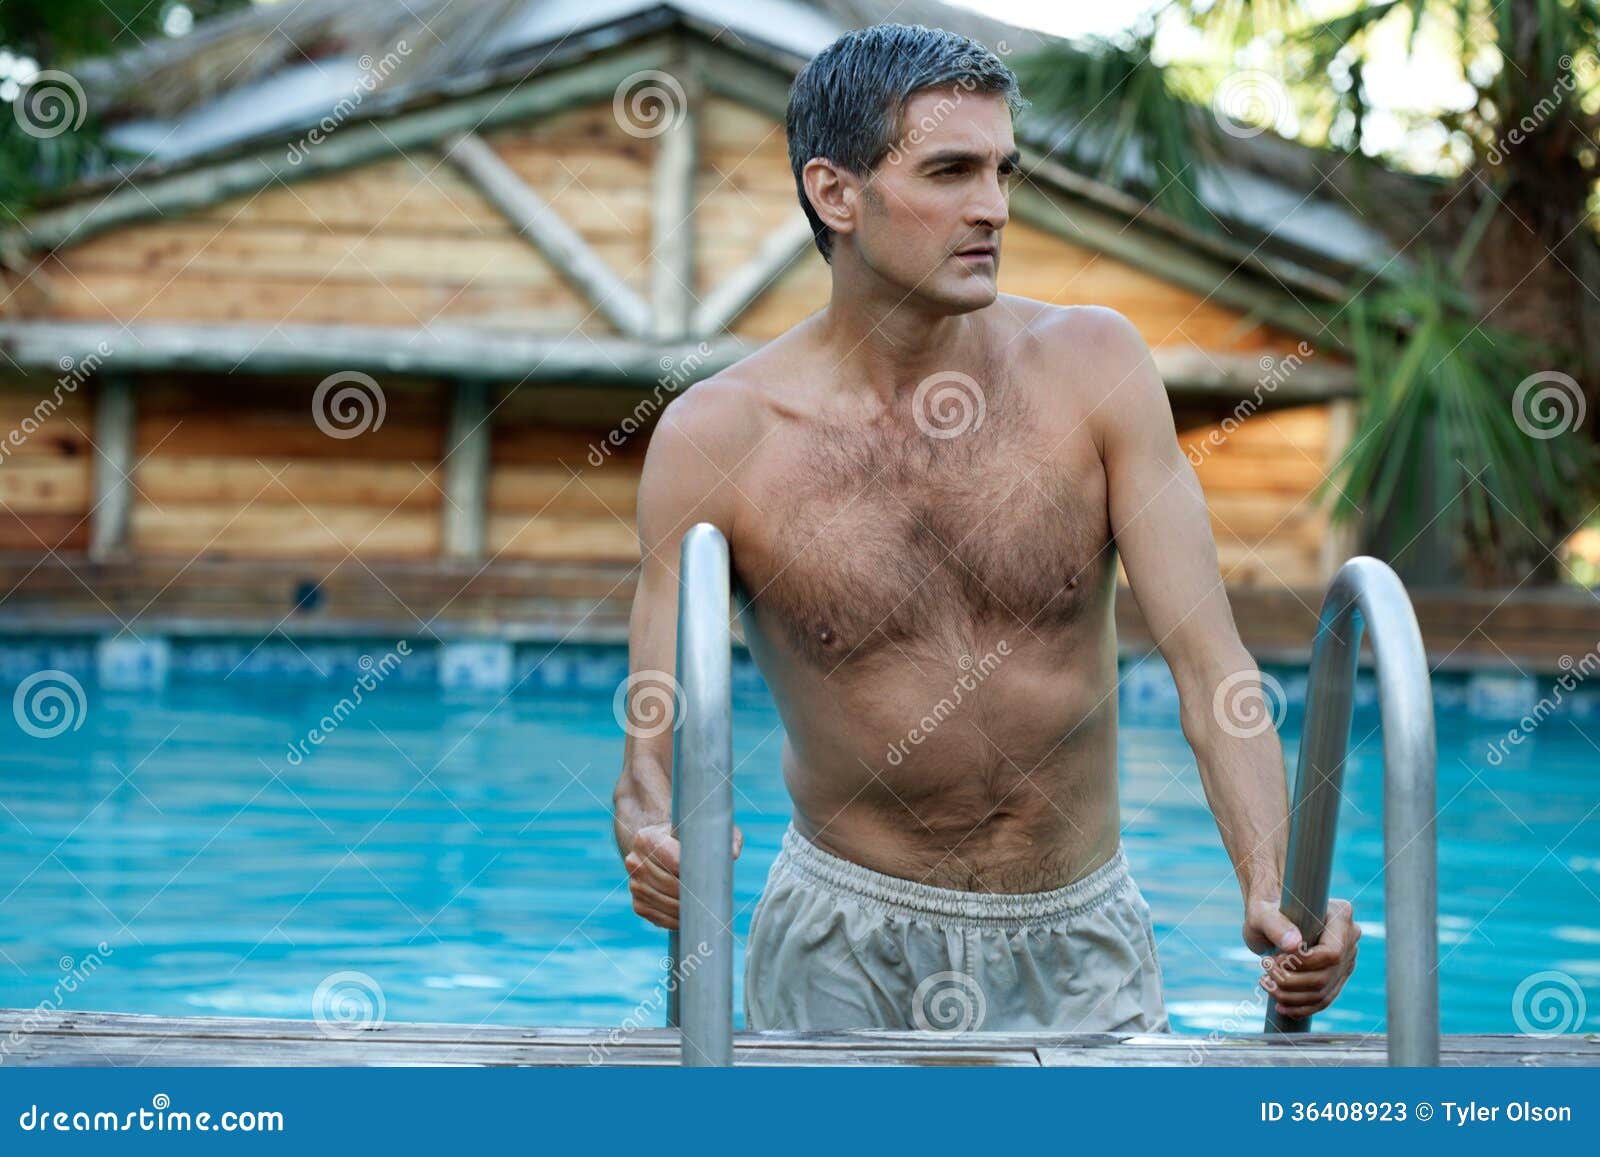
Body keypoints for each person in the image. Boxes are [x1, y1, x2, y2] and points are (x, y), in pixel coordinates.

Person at [612, 22, 1359, 1034]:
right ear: (837, 193)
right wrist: (654, 833)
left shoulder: (1094, 367)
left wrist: (1271, 880)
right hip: (843, 940)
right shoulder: (721, 435)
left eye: (1004, 170)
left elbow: (1211, 666)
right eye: (951, 171)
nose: (992, 207)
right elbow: (653, 730)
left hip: (1076, 928)